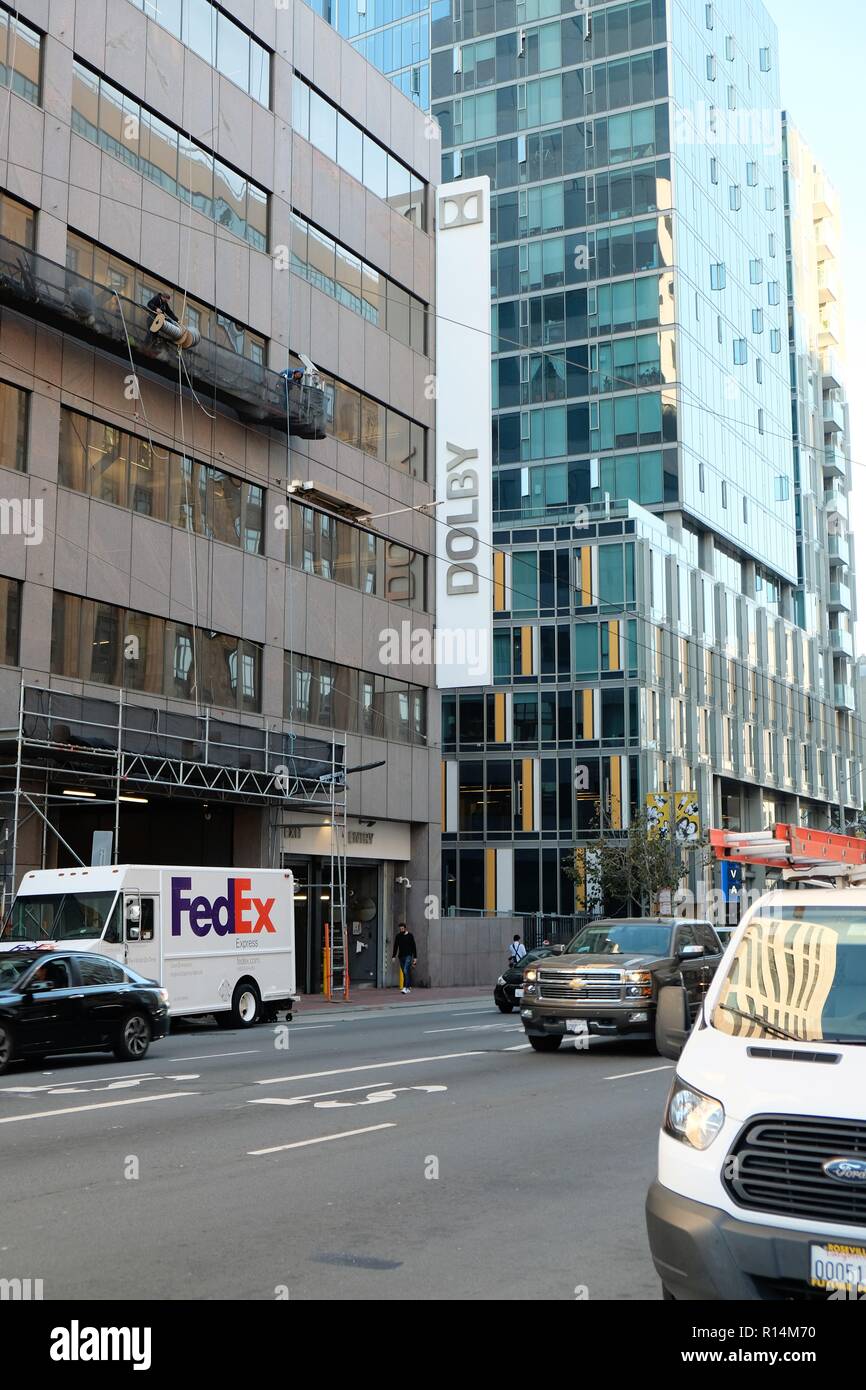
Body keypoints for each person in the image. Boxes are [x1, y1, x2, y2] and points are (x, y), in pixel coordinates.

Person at [392, 922, 417, 993]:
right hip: (401, 956)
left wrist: (415, 957)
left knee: (406, 970)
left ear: (405, 928)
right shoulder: (398, 936)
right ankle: (408, 987)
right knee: (405, 972)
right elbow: (395, 946)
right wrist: (393, 956)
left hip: (408, 955)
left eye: (402, 928)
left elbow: (413, 946)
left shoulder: (410, 935)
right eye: (400, 929)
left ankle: (405, 988)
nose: (401, 930)